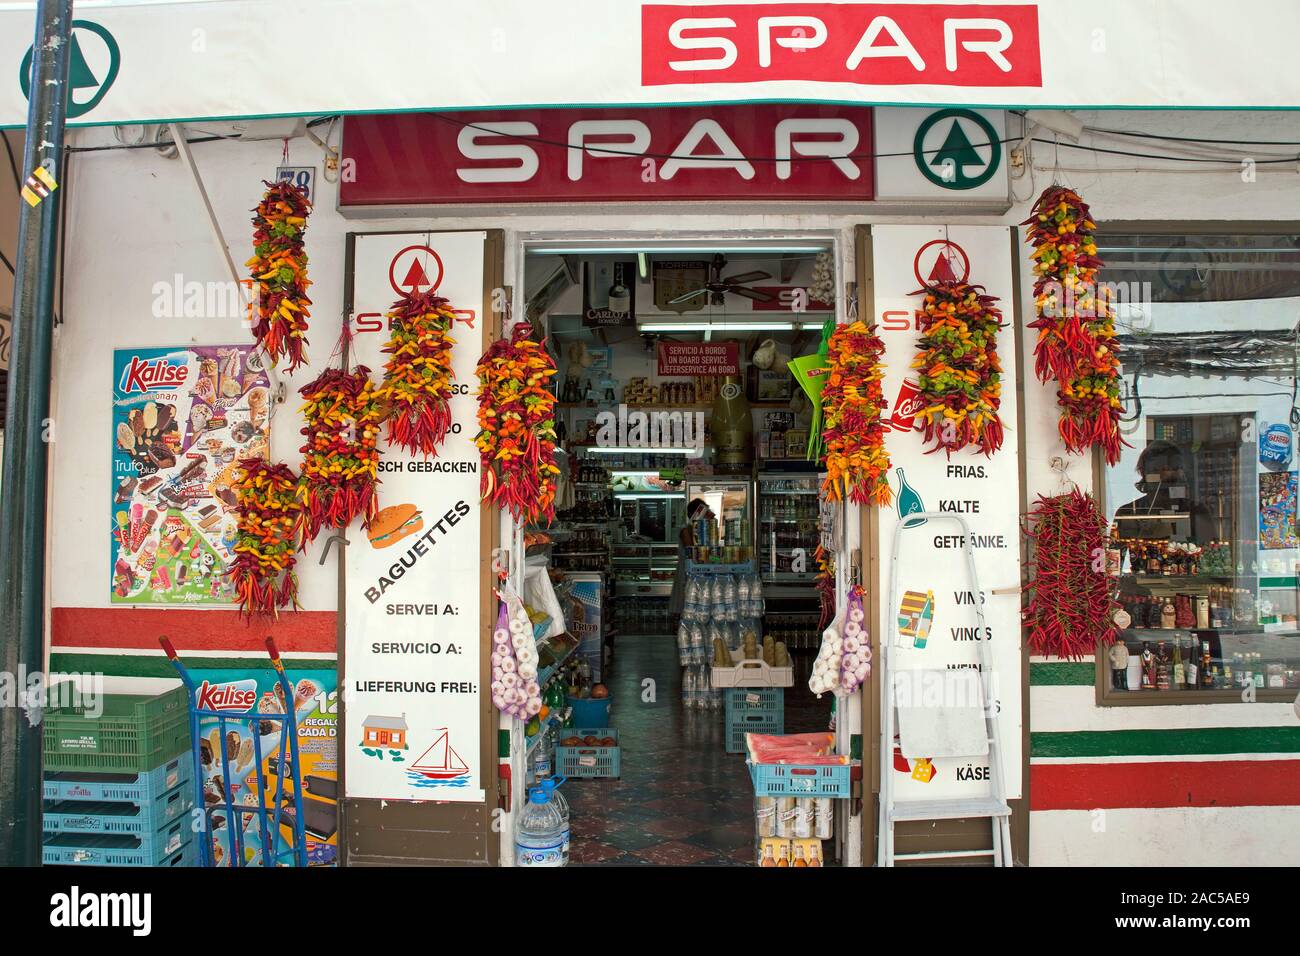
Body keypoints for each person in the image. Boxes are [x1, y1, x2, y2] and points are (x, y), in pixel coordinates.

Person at [669, 498, 712, 622]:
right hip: (686, 575)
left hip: (699, 576)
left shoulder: (703, 532)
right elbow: (693, 552)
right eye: (704, 512)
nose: (707, 515)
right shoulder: (685, 531)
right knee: (686, 608)